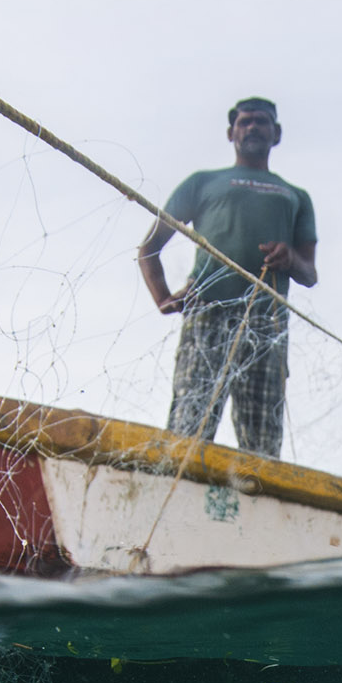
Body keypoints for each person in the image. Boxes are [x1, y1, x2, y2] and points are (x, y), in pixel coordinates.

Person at [137, 97, 317, 457]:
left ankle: (256, 490)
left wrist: (290, 258)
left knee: (262, 442)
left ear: (276, 133)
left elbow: (309, 273)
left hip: (266, 323)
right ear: (231, 133)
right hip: (207, 312)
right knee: (189, 427)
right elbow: (149, 248)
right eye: (244, 121)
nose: (252, 127)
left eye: (261, 121)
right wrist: (163, 297)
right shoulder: (203, 183)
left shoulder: (295, 196)